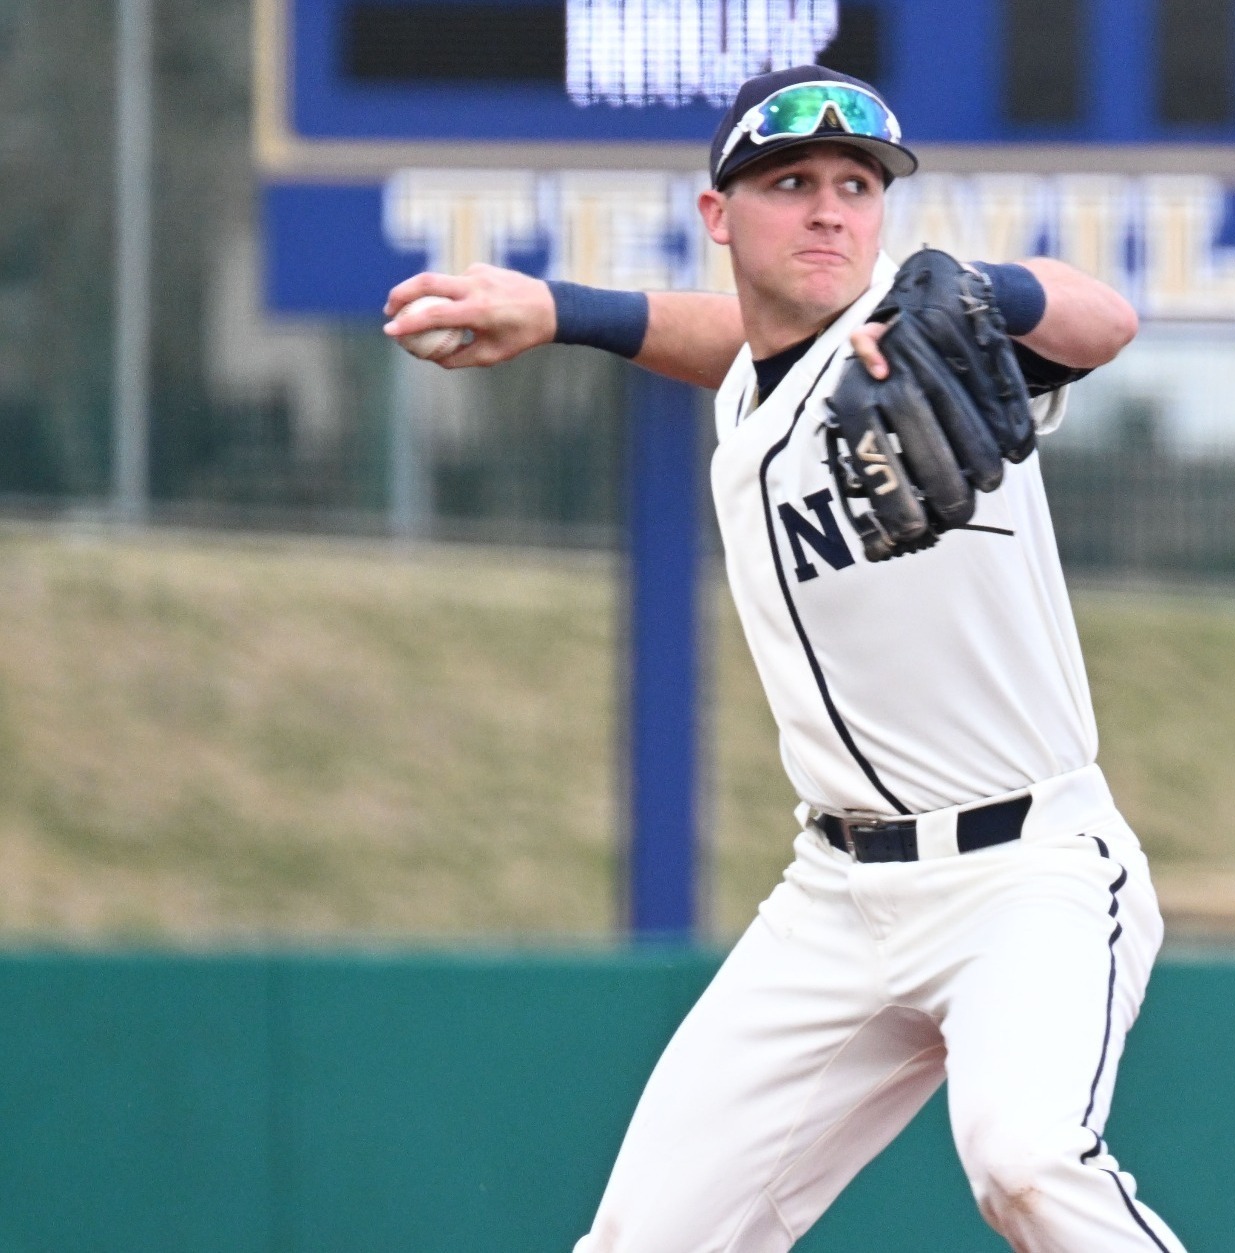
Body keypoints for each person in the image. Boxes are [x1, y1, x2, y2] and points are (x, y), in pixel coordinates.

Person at [383, 65, 1185, 1253]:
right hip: (838, 898)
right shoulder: (760, 380)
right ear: (719, 216)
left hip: (1028, 870)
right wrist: (559, 312)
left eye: (856, 185)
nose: (827, 209)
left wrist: (986, 289)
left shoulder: (932, 345)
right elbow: (729, 341)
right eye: (788, 182)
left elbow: (1102, 319)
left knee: (1026, 1157)